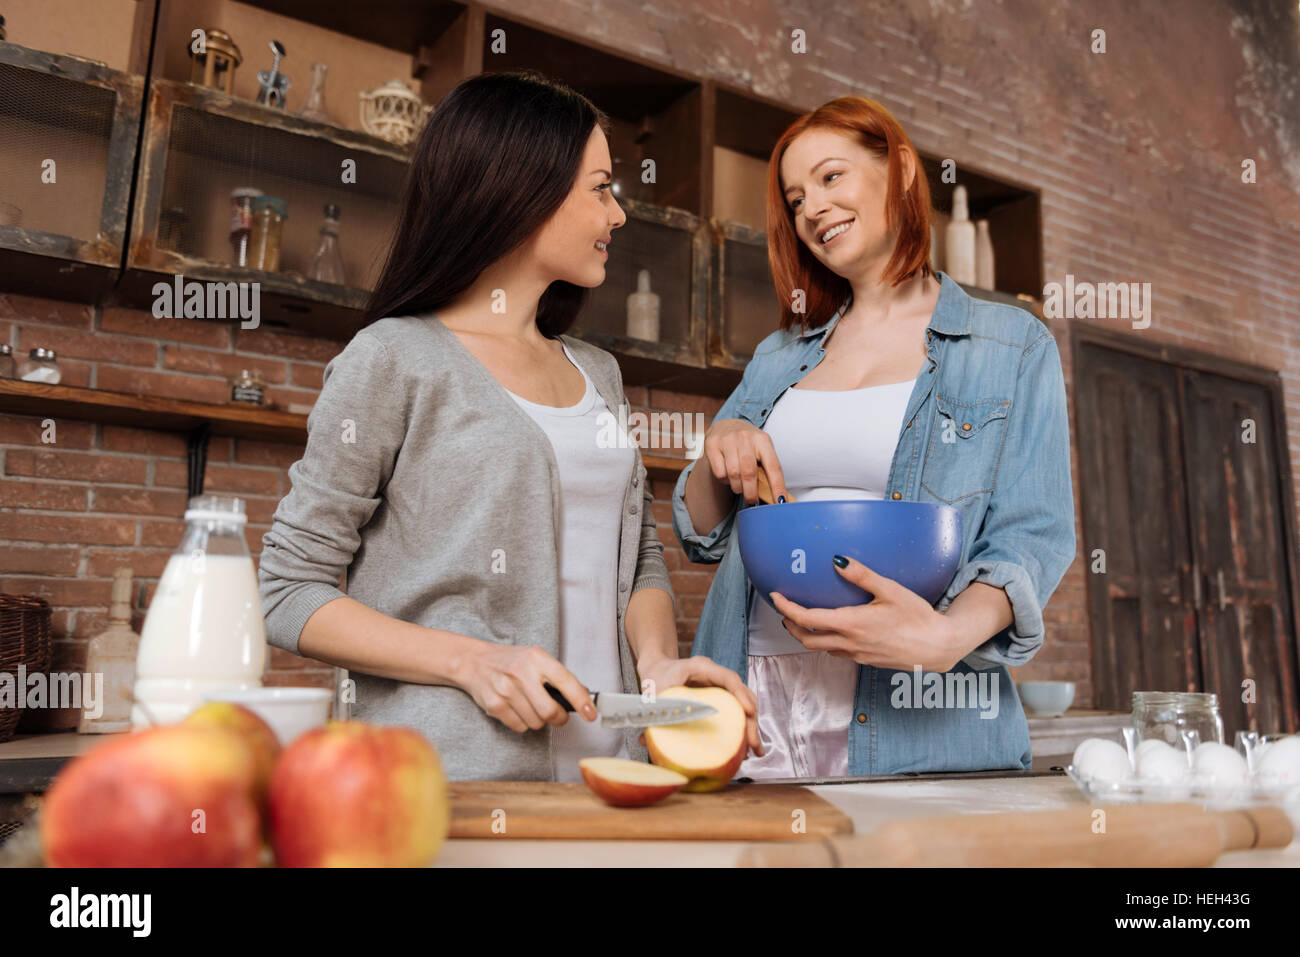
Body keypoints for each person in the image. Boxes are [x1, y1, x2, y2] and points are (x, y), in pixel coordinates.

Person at [258, 71, 760, 782]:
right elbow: (288, 590)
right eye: (600, 189)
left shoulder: (599, 373)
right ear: (521, 190)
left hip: (613, 773)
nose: (617, 216)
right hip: (443, 782)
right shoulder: (396, 359)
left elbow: (638, 559)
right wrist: (475, 661)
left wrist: (658, 668)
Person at [672, 95, 1075, 777]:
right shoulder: (778, 356)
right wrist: (723, 446)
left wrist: (946, 636)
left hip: (918, 711)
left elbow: (1032, 534)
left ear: (903, 172)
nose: (812, 211)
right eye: (796, 201)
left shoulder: (1010, 344)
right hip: (754, 700)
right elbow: (698, 527)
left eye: (831, 178)